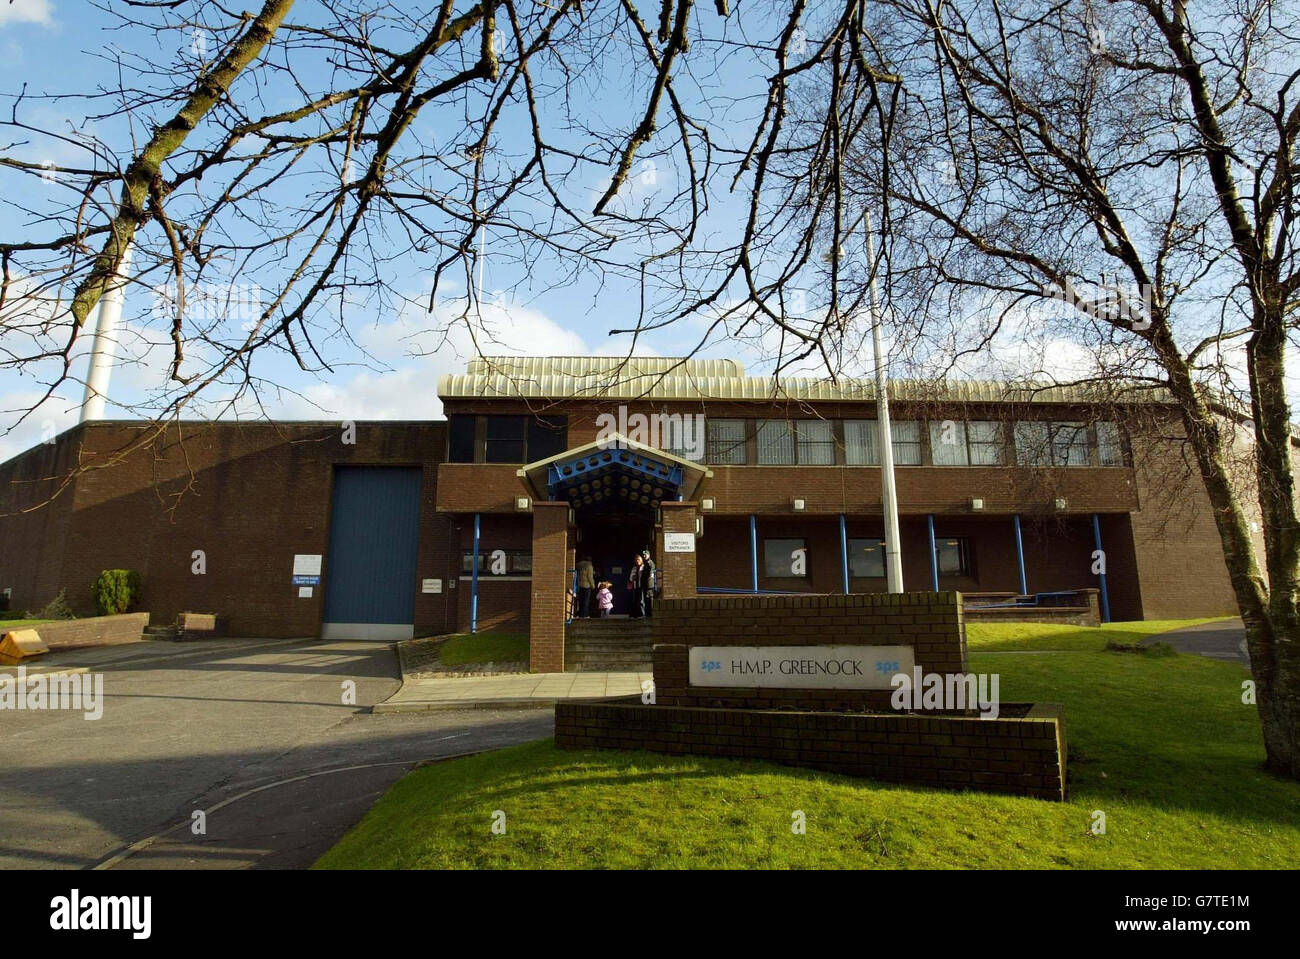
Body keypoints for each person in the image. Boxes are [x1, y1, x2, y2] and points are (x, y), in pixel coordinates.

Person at [639, 548, 657, 618]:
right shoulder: (646, 563)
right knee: (646, 600)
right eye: (643, 555)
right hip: (645, 584)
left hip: (649, 585)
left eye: (645, 555)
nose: (644, 556)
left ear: (649, 555)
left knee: (649, 599)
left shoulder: (650, 563)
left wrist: (649, 583)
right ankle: (647, 614)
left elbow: (651, 573)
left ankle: (650, 614)